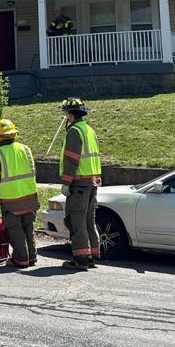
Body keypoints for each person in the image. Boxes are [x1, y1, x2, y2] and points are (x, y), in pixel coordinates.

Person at [0, 118, 39, 268]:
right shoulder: (26, 149)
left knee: (15, 229)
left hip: (11, 200)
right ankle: (32, 257)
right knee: (28, 227)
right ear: (14, 134)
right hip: (29, 196)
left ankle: (21, 258)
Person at [58, 97, 102, 270]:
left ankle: (81, 259)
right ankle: (92, 255)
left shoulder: (74, 131)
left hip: (79, 184)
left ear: (70, 114)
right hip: (92, 183)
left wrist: (66, 182)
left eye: (66, 113)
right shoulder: (89, 130)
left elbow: (71, 159)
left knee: (77, 220)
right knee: (88, 220)